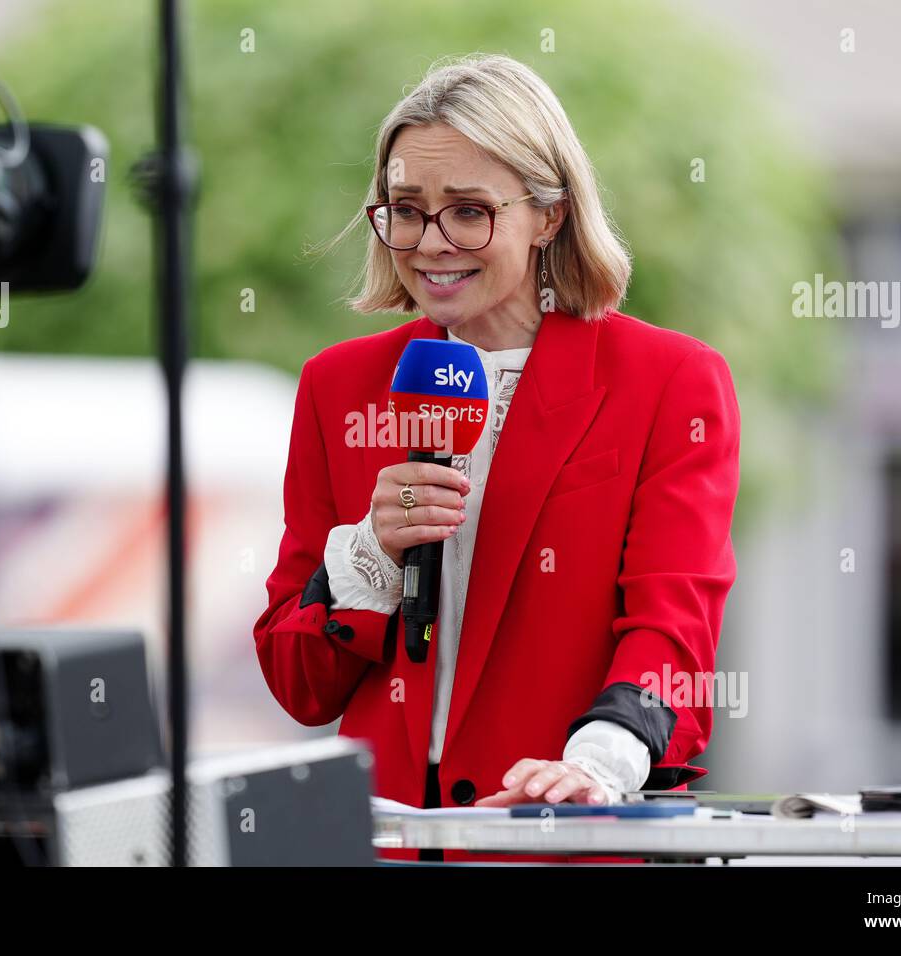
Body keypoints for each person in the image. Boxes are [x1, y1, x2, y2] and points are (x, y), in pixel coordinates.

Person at [253, 53, 740, 863]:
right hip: (383, 843)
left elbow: (673, 632)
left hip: (567, 837)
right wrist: (370, 552)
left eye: (469, 211)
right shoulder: (337, 387)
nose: (431, 242)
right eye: (406, 211)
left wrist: (594, 767)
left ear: (548, 214)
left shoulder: (669, 381)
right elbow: (297, 681)